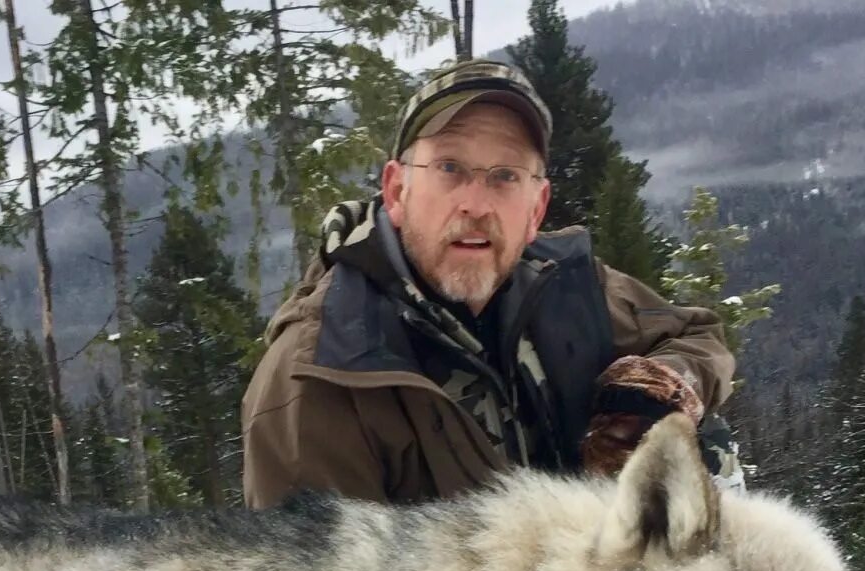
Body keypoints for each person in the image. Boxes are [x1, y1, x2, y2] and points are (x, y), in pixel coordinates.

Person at [241, 60, 739, 508]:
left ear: (536, 209)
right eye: (449, 168)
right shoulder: (321, 373)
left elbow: (699, 337)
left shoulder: (567, 284)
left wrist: (656, 386)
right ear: (396, 191)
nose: (476, 205)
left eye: (505, 176)